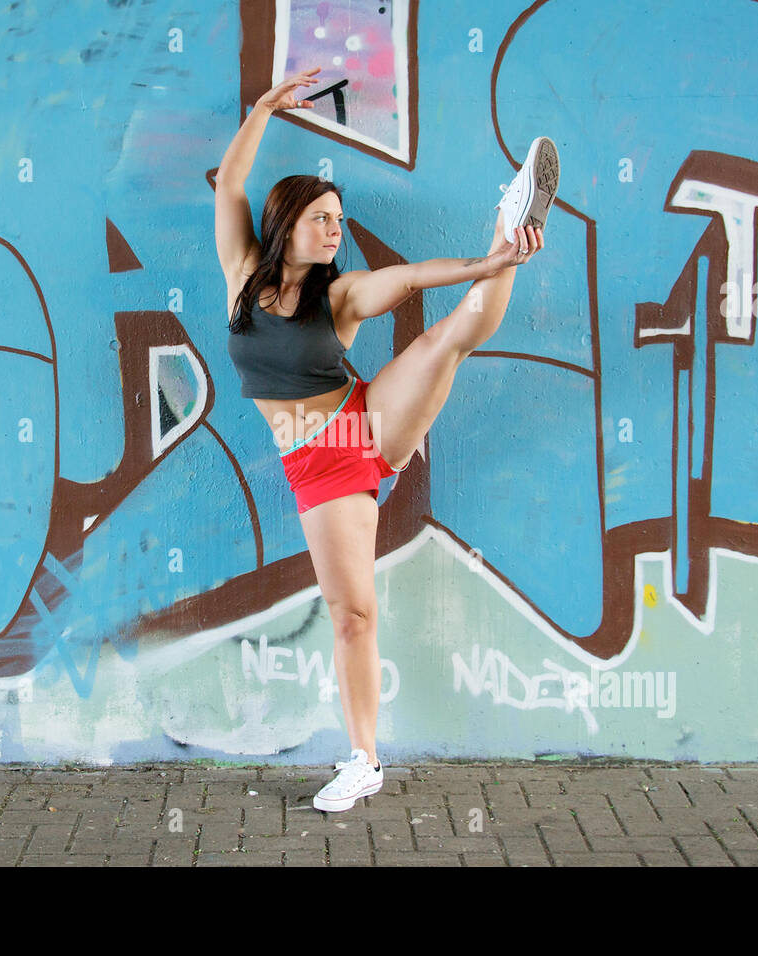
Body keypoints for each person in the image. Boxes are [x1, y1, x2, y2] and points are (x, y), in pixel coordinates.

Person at [215, 66, 558, 812]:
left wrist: (489, 262)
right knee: (352, 614)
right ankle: (364, 757)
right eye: (323, 218)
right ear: (286, 223)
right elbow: (228, 184)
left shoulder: (339, 294)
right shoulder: (243, 276)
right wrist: (265, 108)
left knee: (449, 336)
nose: (336, 229)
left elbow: (405, 280)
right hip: (316, 470)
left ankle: (507, 224)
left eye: (339, 218)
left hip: (365, 421)